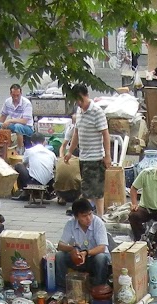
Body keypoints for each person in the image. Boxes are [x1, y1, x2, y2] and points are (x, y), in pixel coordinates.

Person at [61, 83, 108, 213]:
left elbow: (105, 134)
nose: (78, 103)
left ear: (86, 95)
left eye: (80, 99)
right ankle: (92, 215)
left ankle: (88, 214)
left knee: (93, 191)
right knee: (92, 190)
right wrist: (70, 151)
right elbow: (76, 133)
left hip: (95, 157)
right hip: (83, 157)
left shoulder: (97, 112)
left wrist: (107, 156)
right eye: (76, 100)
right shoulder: (79, 111)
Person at [55, 197, 111, 290]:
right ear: (76, 217)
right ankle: (62, 288)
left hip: (93, 258)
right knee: (59, 255)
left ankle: (99, 288)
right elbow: (60, 245)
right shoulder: (71, 223)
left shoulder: (98, 223)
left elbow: (102, 247)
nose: (88, 218)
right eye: (84, 216)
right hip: (79, 258)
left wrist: (86, 253)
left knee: (101, 257)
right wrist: (72, 249)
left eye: (90, 214)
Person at [128, 152, 157, 244]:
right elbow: (133, 189)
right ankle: (141, 240)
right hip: (145, 207)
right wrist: (134, 204)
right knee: (133, 216)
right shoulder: (146, 174)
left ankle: (156, 242)